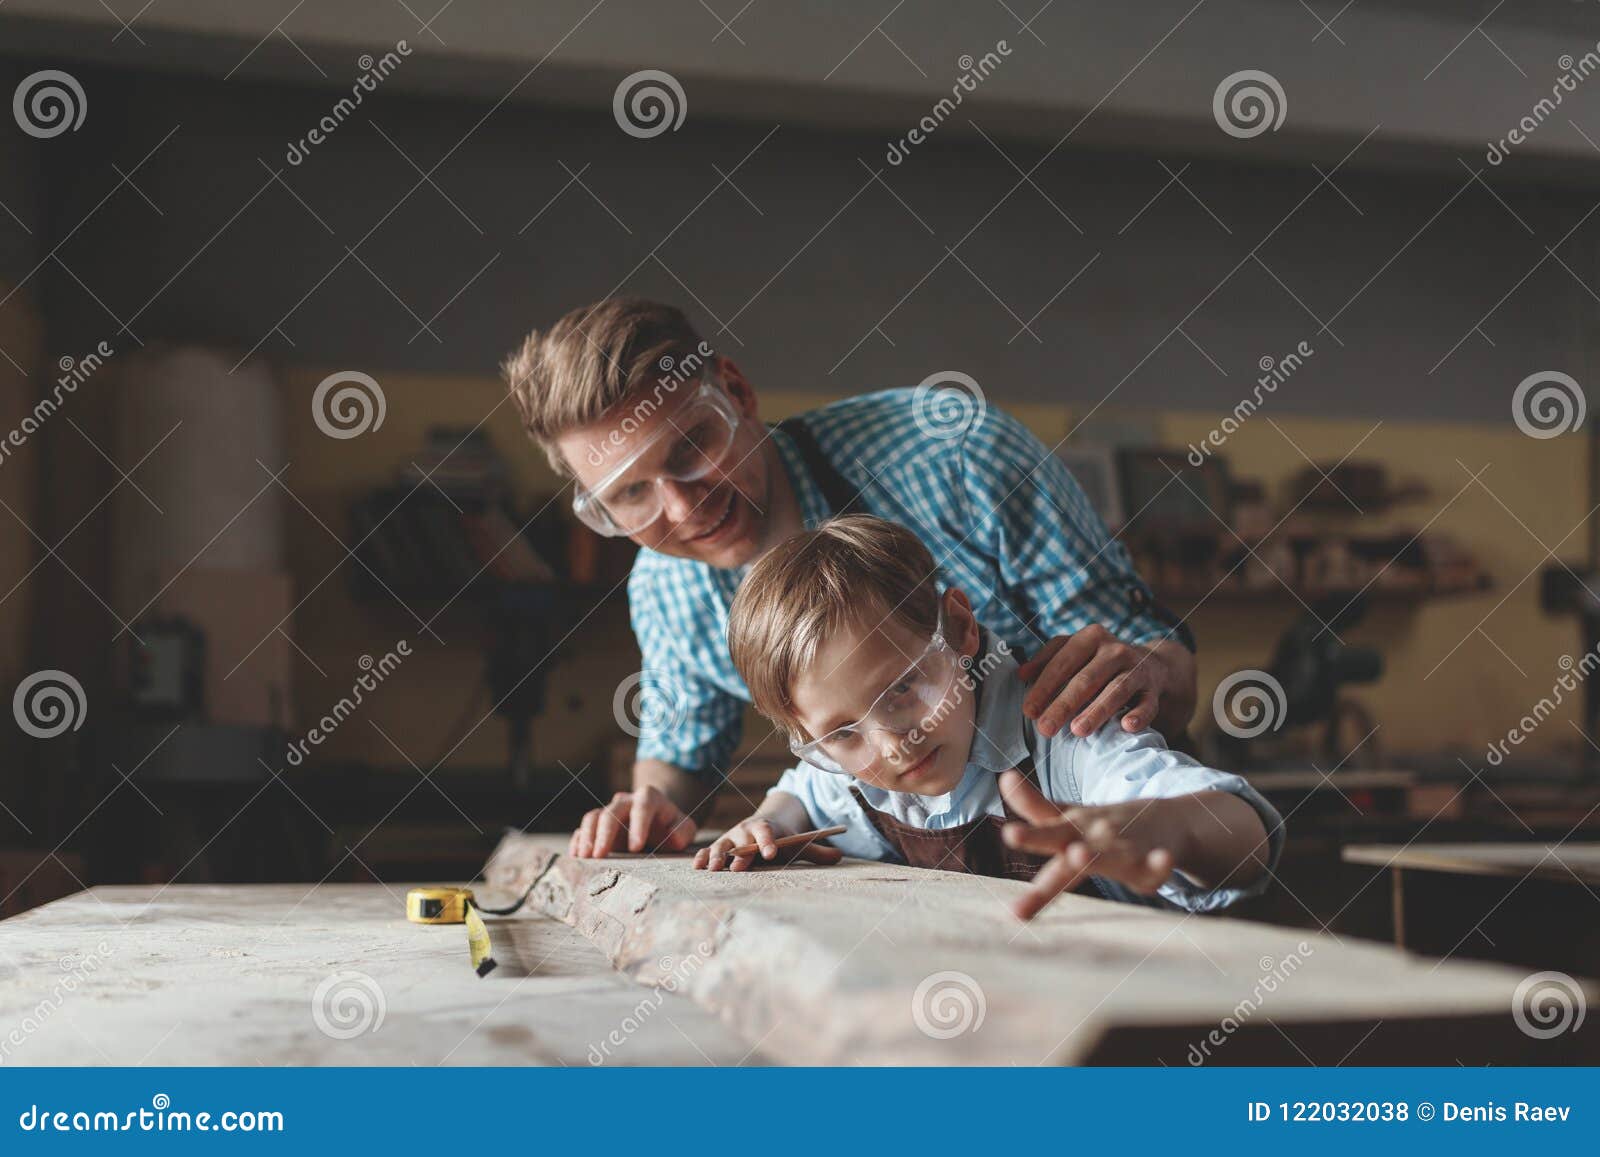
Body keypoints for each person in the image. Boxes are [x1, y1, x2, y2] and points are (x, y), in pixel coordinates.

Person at [501, 297, 1201, 857]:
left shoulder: (954, 453)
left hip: (1115, 853)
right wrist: (649, 807)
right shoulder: (666, 589)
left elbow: (1159, 670)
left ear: (737, 392)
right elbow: (680, 759)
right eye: (630, 495)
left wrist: (1152, 674)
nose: (684, 508)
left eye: (693, 446)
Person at [708, 515, 1283, 921]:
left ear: (959, 628)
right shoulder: (853, 773)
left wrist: (1154, 827)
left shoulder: (1065, 730)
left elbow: (1244, 832)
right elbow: (803, 793)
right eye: (841, 732)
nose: (894, 746)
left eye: (905, 687)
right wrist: (770, 825)